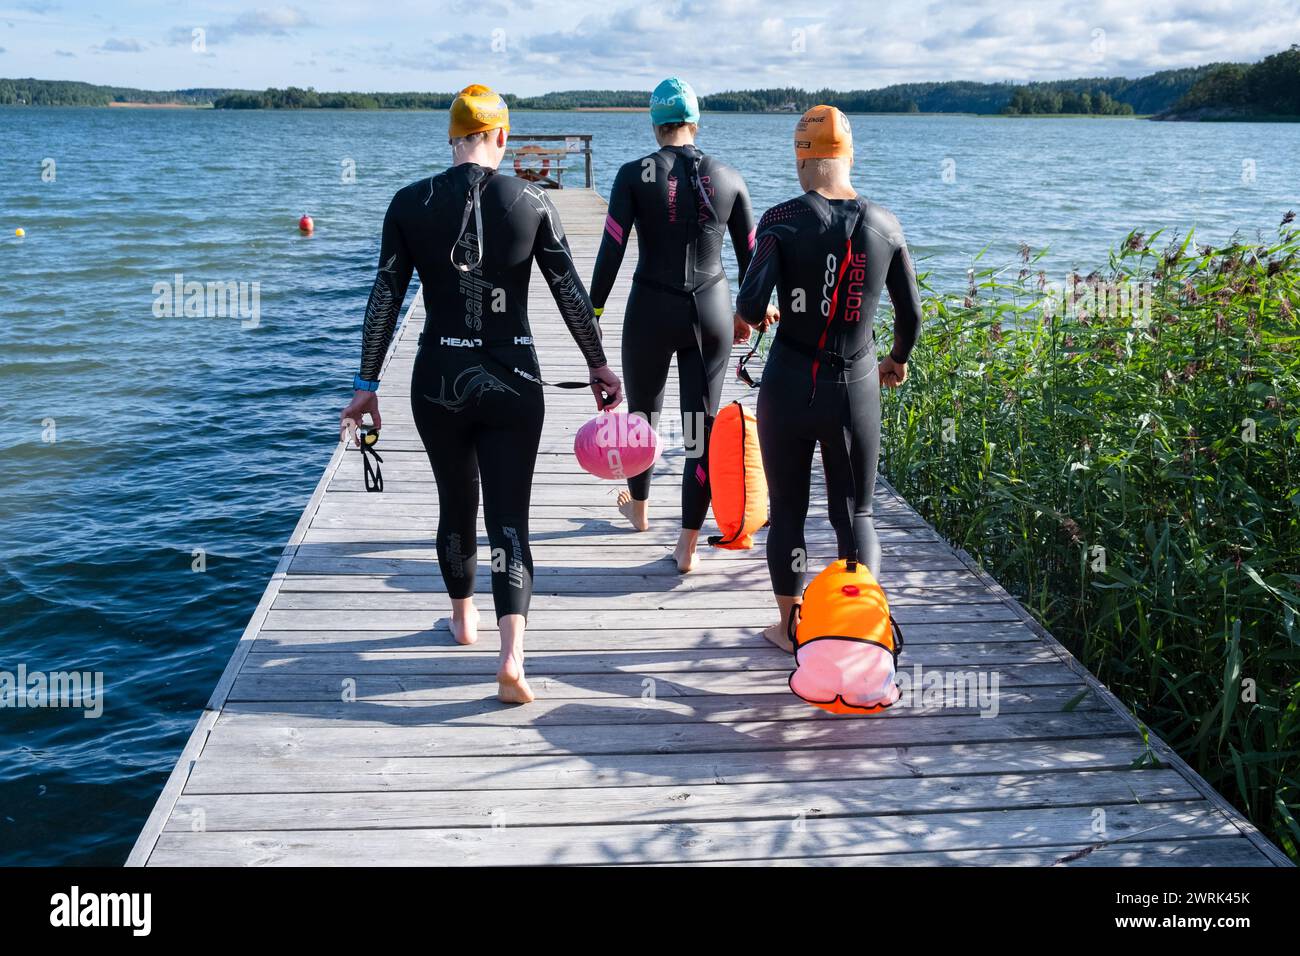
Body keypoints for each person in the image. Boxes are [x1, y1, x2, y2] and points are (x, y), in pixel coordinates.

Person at [339, 84, 623, 703]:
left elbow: (384, 299)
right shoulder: (532, 200)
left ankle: (461, 619)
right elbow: (571, 293)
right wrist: (599, 365)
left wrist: (366, 387)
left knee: (454, 502)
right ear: (502, 138)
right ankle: (512, 658)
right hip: (514, 380)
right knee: (510, 519)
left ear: (451, 141)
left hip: (436, 378)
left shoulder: (409, 202)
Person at [734, 105, 922, 650]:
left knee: (789, 510)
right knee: (855, 511)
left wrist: (765, 310)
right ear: (849, 155)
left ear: (801, 159)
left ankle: (791, 629)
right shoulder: (885, 224)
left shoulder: (780, 219)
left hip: (790, 382)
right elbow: (910, 317)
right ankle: (857, 631)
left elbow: (748, 302)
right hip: (856, 385)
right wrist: (897, 360)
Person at [589, 76, 773, 572]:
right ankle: (687, 544)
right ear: (695, 121)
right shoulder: (730, 177)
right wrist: (750, 314)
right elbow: (754, 260)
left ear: (655, 124)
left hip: (649, 308)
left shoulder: (632, 175)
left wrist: (595, 311)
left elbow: (612, 247)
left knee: (642, 418)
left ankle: (642, 512)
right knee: (700, 430)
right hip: (710, 312)